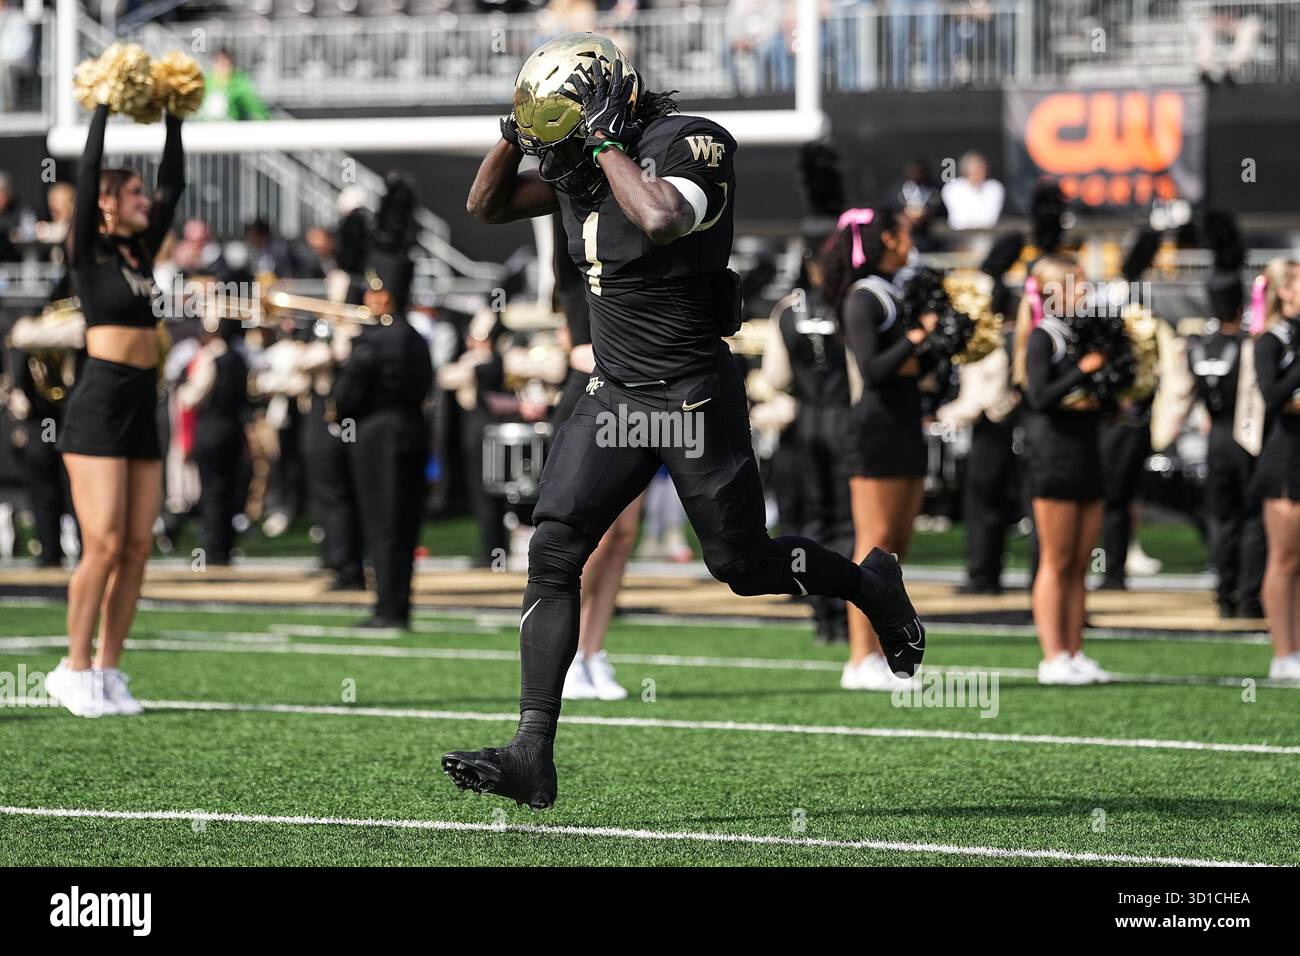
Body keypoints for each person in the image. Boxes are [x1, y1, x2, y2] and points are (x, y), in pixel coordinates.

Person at [443, 32, 924, 809]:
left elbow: (663, 216)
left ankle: (871, 585)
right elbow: (486, 203)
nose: (556, 155)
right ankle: (532, 750)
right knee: (555, 548)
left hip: (690, 398)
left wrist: (599, 141)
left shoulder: (690, 142)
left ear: (611, 106)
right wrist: (517, 126)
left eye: (569, 129)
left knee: (742, 565)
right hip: (615, 395)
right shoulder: (579, 162)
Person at [43, 99, 186, 717]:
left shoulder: (139, 252)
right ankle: (72, 667)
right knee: (99, 543)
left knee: (134, 545)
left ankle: (108, 669)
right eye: (132, 193)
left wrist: (175, 117)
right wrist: (101, 110)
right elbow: (91, 167)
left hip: (140, 403)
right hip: (98, 401)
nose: (144, 201)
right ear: (104, 202)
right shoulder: (87, 250)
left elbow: (173, 185)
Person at [822, 208, 940, 689]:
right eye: (906, 232)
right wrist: (919, 335)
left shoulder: (896, 290)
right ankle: (859, 658)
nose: (912, 239)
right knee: (873, 543)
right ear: (888, 238)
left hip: (906, 424)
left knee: (896, 548)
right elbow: (872, 368)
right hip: (875, 428)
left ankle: (886, 653)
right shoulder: (863, 297)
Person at [332, 173, 433, 629]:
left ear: (383, 292)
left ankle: (386, 609)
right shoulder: (414, 336)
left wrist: (340, 409)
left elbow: (347, 393)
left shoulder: (372, 340)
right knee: (404, 522)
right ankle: (400, 606)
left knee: (381, 521)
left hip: (376, 434)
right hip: (412, 428)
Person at [1013, 254, 1114, 686]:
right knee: (1055, 560)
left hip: (1086, 449)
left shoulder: (1076, 333)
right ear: (1052, 291)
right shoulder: (1043, 336)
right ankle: (1052, 656)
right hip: (1052, 454)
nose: (1085, 292)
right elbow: (1039, 395)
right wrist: (1084, 368)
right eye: (1078, 285)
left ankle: (1074, 650)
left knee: (1078, 561)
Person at [763, 240, 853, 644]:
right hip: (846, 423)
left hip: (806, 425)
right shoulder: (854, 302)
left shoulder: (787, 308)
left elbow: (776, 378)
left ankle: (822, 615)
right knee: (849, 522)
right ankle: (847, 612)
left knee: (814, 520)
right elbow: (861, 375)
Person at [1188, 272, 1264, 619]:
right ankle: (1249, 596)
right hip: (1246, 436)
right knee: (1252, 518)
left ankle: (1223, 594)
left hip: (1215, 438)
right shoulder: (1251, 343)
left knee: (1222, 518)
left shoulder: (1198, 345)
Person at [1250, 258, 1300, 680]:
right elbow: (1272, 395)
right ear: (1285, 291)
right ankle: (1284, 653)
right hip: (1286, 458)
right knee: (1285, 559)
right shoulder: (1272, 340)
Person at [199, 48, 271, 121]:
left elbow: (254, 106)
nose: (222, 67)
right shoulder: (206, 82)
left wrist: (264, 120)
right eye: (219, 63)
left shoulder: (240, 82)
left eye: (225, 64)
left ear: (231, 64)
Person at [940, 151, 1004, 231]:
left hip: (987, 234)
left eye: (982, 171)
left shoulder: (994, 188)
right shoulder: (952, 188)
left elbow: (990, 219)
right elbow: (959, 219)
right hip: (958, 235)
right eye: (975, 172)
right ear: (966, 172)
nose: (980, 175)